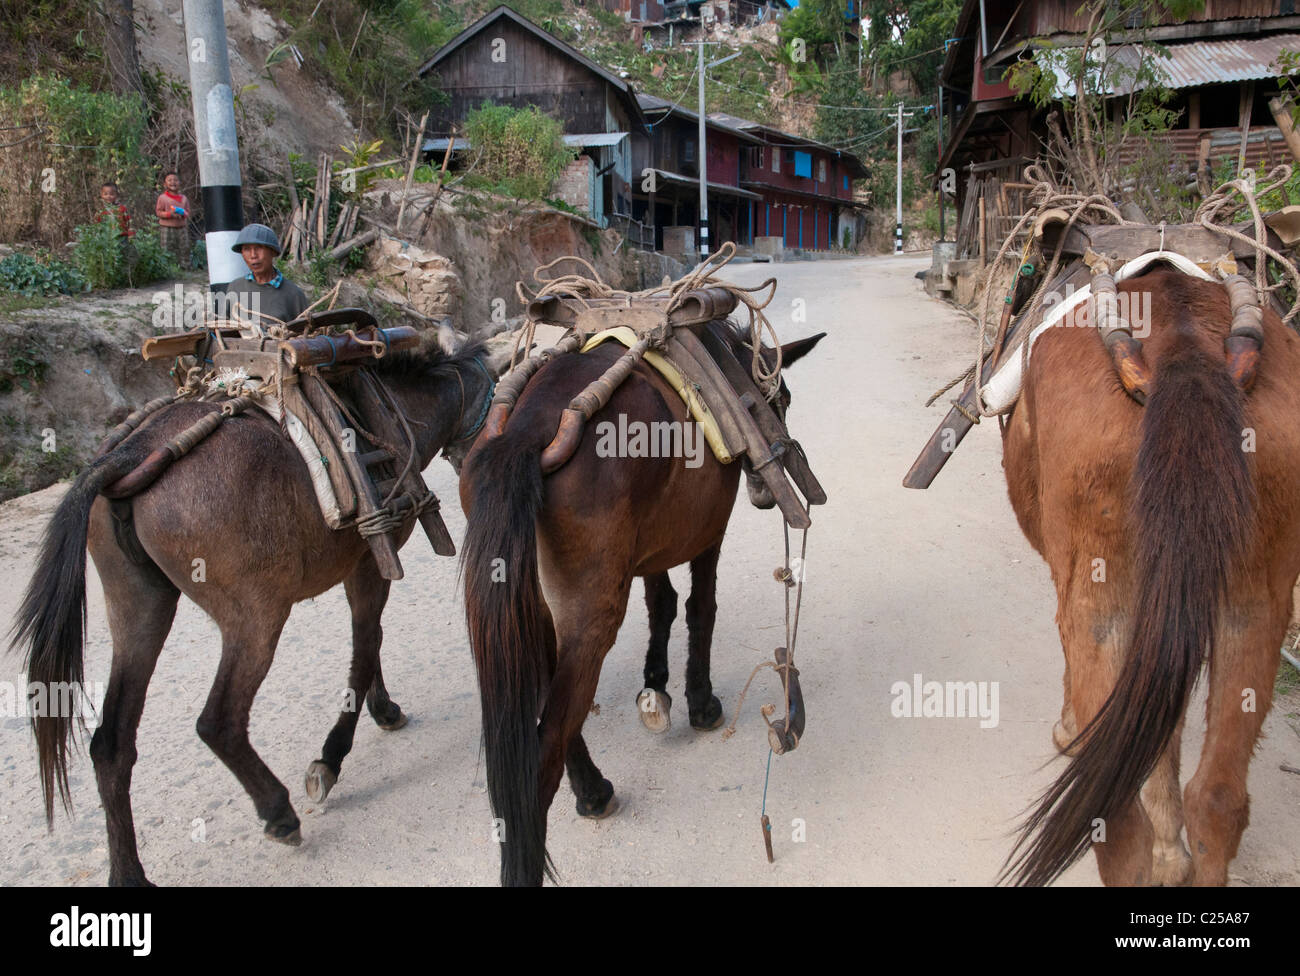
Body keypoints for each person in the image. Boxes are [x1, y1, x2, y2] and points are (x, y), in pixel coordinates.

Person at [221, 223, 309, 325]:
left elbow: (306, 335)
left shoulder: (294, 294)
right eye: (247, 249)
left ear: (273, 252)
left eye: (259, 248)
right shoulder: (235, 288)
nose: (253, 255)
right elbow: (223, 329)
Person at [154, 172, 191, 268]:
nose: (173, 182)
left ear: (180, 183)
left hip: (181, 227)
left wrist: (183, 214)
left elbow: (187, 212)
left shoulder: (184, 198)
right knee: (166, 248)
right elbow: (158, 212)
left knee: (184, 247)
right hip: (166, 228)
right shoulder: (162, 198)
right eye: (169, 180)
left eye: (175, 180)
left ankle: (185, 266)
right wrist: (170, 214)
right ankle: (168, 268)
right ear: (165, 184)